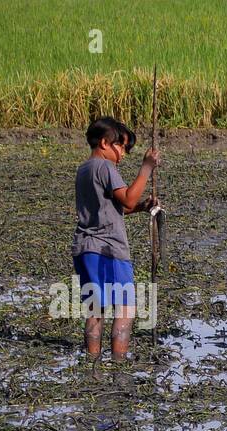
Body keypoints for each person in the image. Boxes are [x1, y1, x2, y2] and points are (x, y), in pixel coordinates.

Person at [73, 116, 161, 358]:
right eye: (121, 146)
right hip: (108, 248)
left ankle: (93, 363)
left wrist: (142, 207)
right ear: (104, 143)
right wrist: (146, 167)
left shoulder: (84, 169)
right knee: (126, 308)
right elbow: (128, 198)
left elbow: (117, 207)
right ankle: (119, 363)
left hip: (85, 247)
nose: (123, 153)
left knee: (96, 308)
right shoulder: (106, 167)